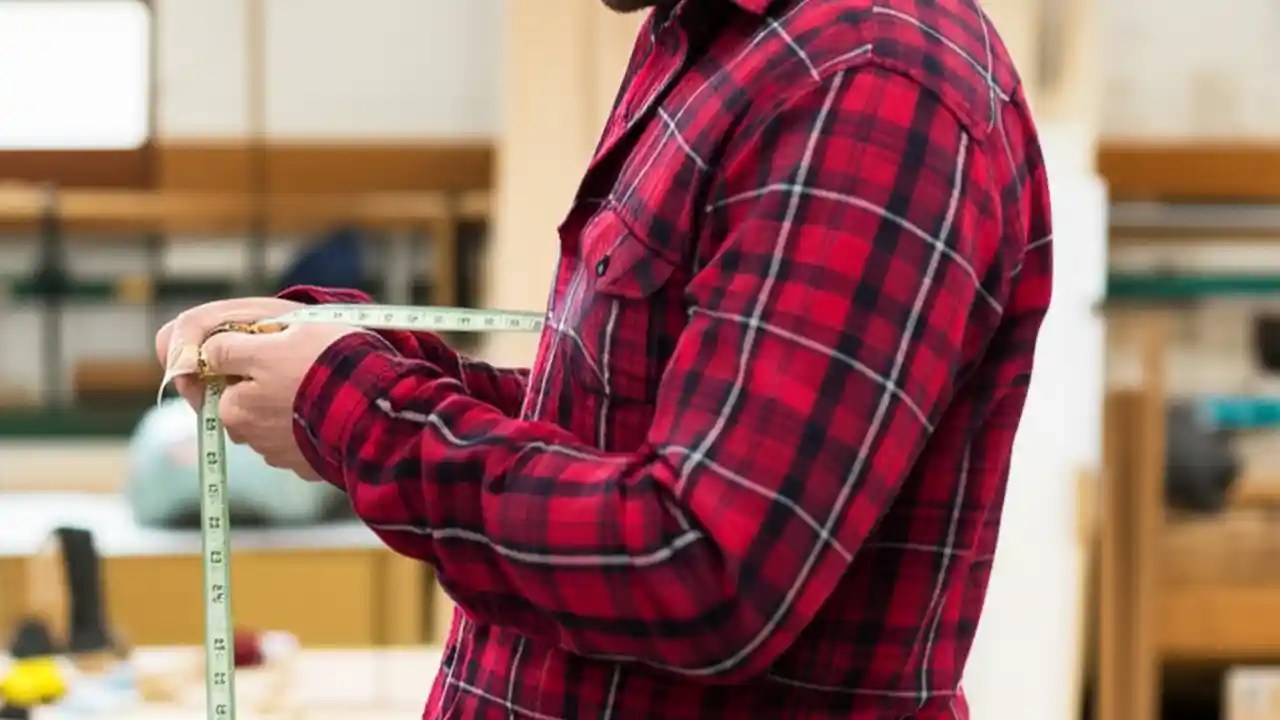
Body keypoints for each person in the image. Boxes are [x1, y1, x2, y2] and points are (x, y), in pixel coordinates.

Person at [155, 0, 1053, 716]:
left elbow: (704, 568)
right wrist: (362, 358)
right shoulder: (708, 39)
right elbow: (607, 424)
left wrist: (355, 411)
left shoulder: (866, 83)